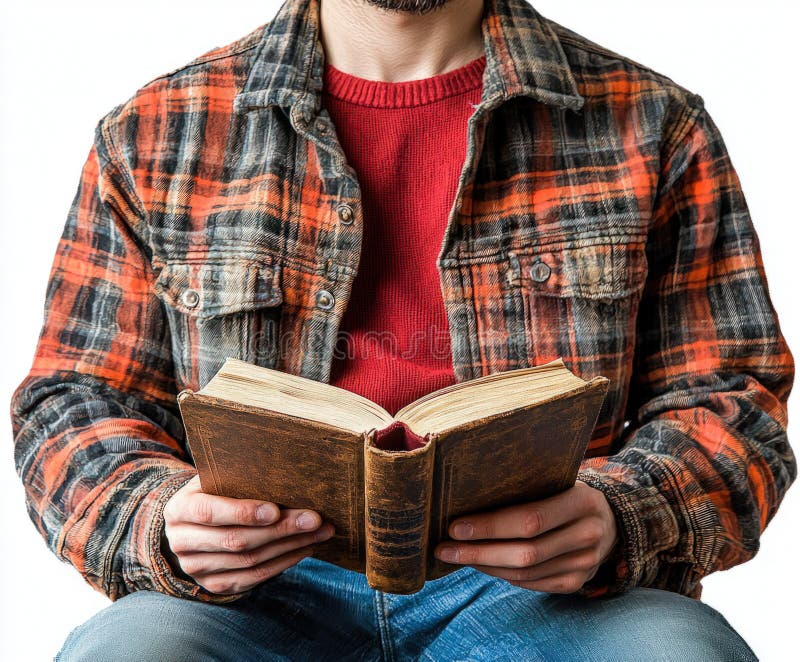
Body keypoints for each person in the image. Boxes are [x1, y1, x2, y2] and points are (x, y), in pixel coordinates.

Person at [10, 0, 794, 658]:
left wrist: (620, 517)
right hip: (249, 597)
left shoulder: (654, 123)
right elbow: (74, 402)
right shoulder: (155, 133)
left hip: (552, 595)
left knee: (677, 652)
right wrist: (161, 518)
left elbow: (731, 401)